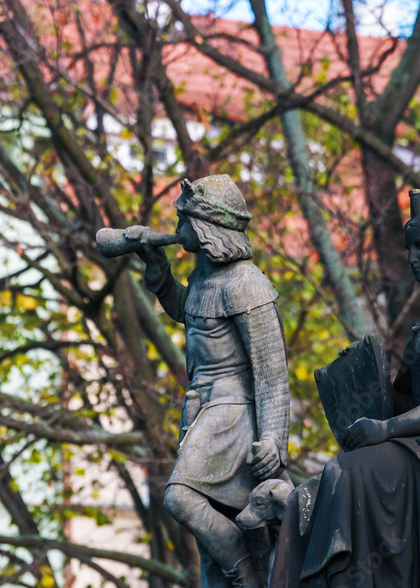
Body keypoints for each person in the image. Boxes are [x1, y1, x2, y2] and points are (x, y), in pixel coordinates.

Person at [272, 192, 420, 588]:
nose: (412, 257)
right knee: (306, 497)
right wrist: (357, 387)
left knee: (340, 473)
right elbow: (404, 398)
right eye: (408, 248)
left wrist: (386, 430)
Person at [131, 175, 290, 588]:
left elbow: (272, 372)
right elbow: (188, 312)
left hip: (232, 413)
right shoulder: (204, 277)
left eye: (183, 220)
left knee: (179, 498)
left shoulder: (246, 283)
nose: (177, 229)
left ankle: (247, 573)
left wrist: (274, 440)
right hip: (201, 409)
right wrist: (157, 268)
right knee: (208, 541)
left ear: (204, 226)